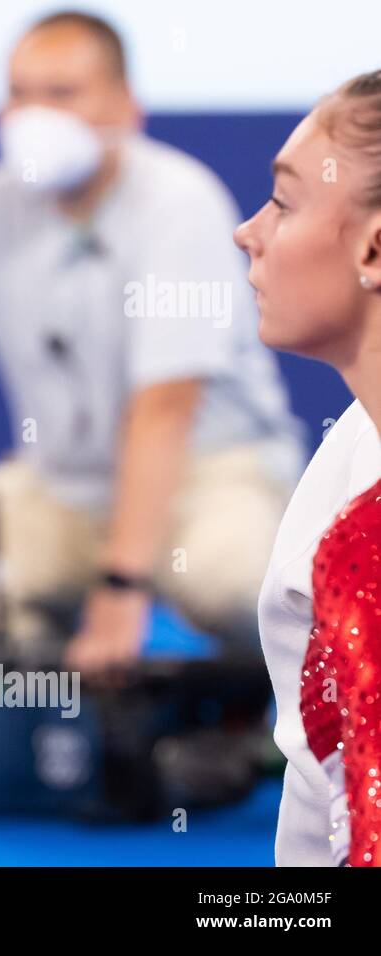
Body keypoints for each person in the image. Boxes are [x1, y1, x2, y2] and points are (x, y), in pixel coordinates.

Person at [0, 10, 305, 674]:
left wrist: (121, 585)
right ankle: (70, 716)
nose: (34, 115)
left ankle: (267, 718)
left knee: (242, 586)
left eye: (62, 93)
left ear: (126, 106)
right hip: (62, 486)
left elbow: (166, 408)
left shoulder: (180, 201)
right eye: (20, 93)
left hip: (206, 475)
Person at [240, 70, 381, 866]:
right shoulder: (347, 462)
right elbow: (320, 785)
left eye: (284, 204)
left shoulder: (360, 546)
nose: (247, 231)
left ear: (375, 244)